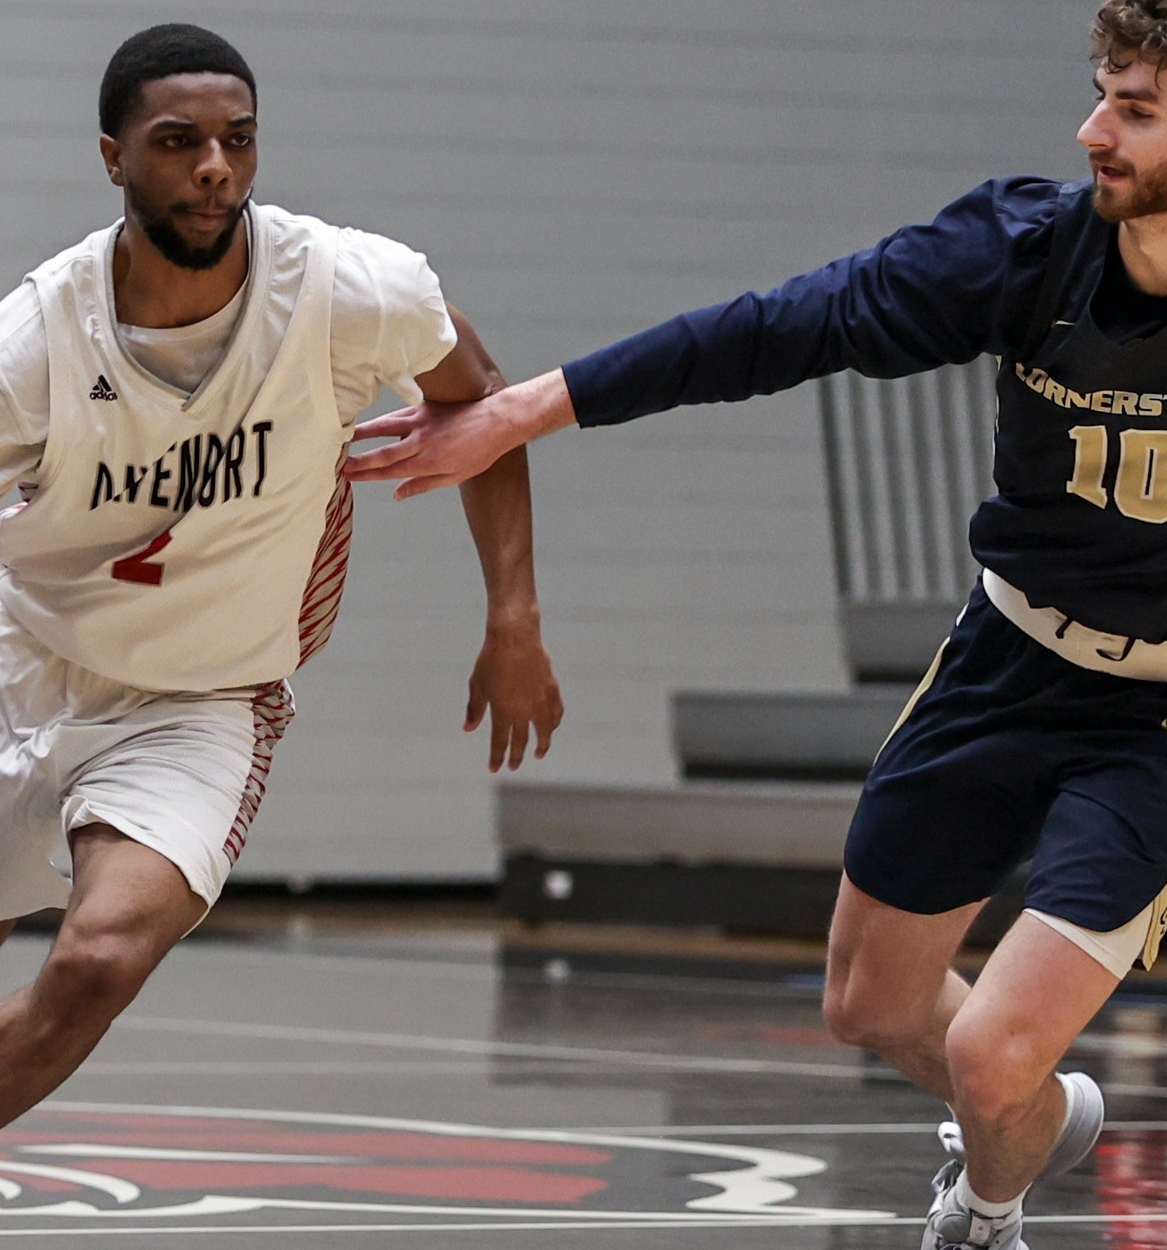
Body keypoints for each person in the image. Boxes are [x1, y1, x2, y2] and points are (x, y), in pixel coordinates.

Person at [0, 23, 564, 1250]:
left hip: (208, 699)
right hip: (31, 670)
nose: (215, 166)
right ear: (113, 158)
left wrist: (514, 612)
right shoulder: (23, 346)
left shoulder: (347, 289)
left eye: (237, 140)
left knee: (100, 957)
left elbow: (483, 403)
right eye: (178, 143)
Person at [342, 4, 1167, 1248]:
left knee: (992, 1054)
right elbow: (787, 323)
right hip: (1008, 650)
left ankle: (983, 1210)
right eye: (1101, 93)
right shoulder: (1026, 249)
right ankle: (1034, 1114)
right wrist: (523, 411)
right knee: (870, 1002)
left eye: (1136, 111)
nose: (1090, 128)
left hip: (1154, 713)